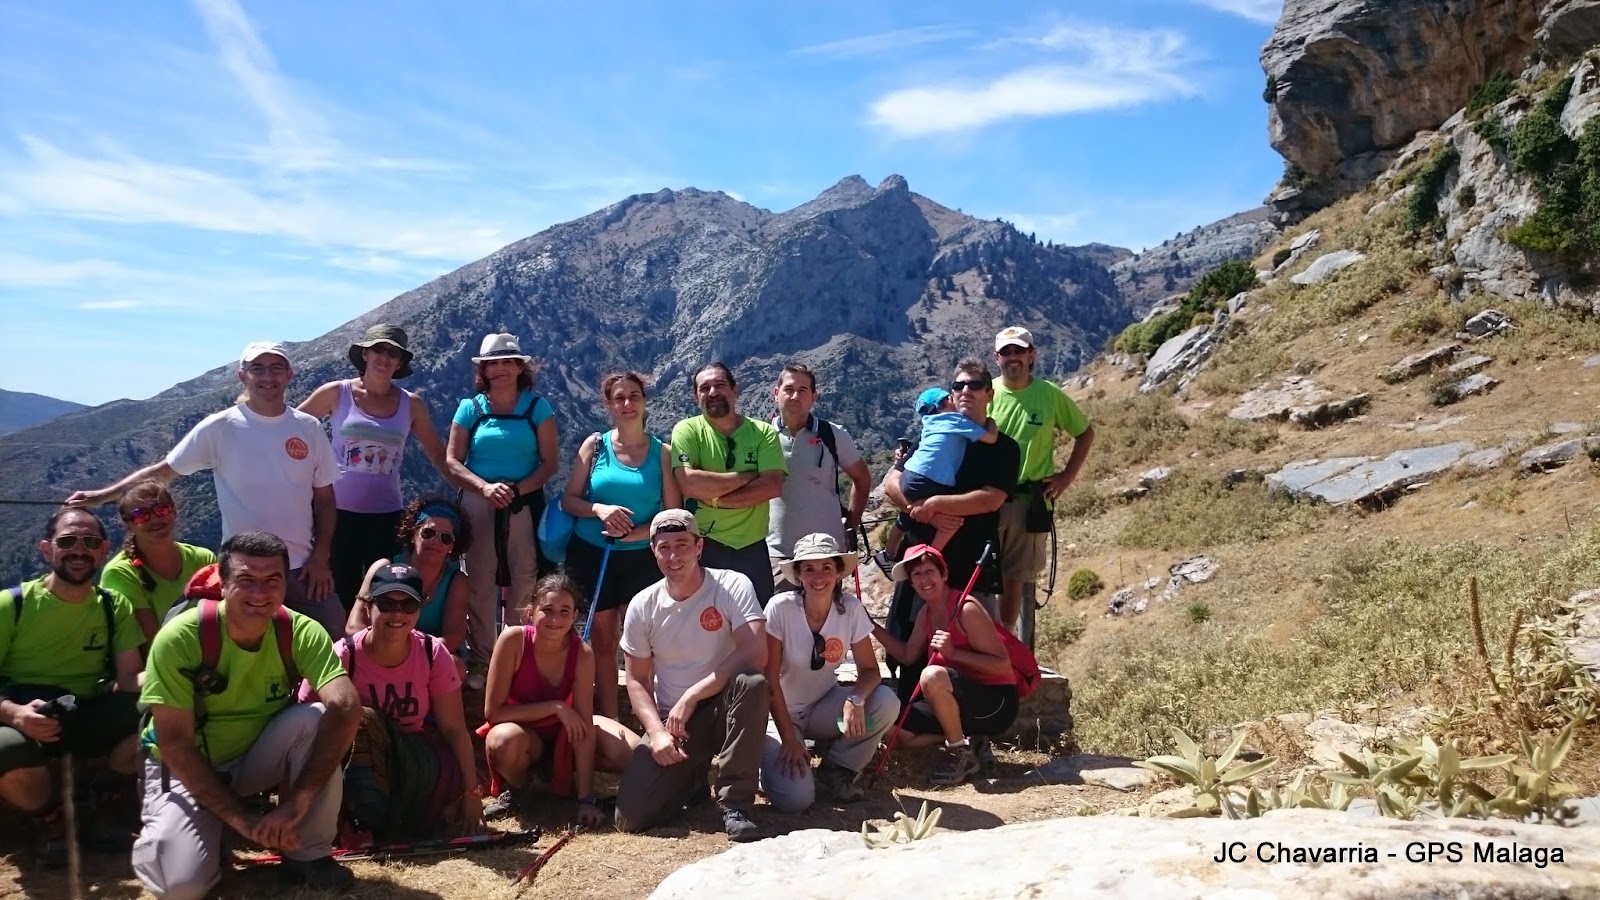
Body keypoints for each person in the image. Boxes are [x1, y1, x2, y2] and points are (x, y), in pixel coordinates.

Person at [134, 531, 362, 898]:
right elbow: (174, 743)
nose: (260, 593)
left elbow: (347, 706)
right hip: (183, 765)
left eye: (272, 580)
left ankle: (307, 854)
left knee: (318, 718)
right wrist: (243, 822)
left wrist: (295, 803)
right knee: (181, 887)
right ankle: (192, 831)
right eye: (246, 580)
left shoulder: (299, 631)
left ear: (286, 584)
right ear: (222, 584)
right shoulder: (180, 638)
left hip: (250, 758)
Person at [66, 341, 347, 638]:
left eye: (276, 367)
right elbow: (162, 472)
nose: (267, 376)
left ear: (289, 374)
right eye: (258, 368)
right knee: (242, 649)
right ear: (243, 376)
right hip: (242, 570)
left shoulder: (309, 427)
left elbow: (326, 502)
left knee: (334, 639)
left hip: (302, 568)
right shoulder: (220, 427)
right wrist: (101, 497)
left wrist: (320, 558)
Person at [0, 508, 144, 864]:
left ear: (103, 549)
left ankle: (104, 794)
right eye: (67, 541)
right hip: (22, 711)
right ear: (47, 549)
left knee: (161, 710)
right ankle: (50, 817)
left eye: (90, 542)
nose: (79, 550)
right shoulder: (12, 605)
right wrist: (16, 714)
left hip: (84, 711)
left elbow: (129, 677)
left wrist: (173, 674)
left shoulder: (114, 606)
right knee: (3, 749)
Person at [615, 510, 769, 843]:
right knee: (630, 817)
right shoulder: (643, 606)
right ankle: (693, 776)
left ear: (700, 547)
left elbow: (756, 651)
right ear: (652, 551)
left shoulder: (731, 584)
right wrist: (656, 732)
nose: (674, 556)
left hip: (726, 707)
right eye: (664, 547)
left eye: (683, 544)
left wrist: (693, 695)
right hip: (676, 724)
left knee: (752, 683)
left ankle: (736, 804)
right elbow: (637, 679)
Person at [301, 563, 484, 841]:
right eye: (386, 603)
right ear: (369, 607)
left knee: (443, 765)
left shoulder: (432, 653)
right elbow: (306, 722)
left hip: (407, 754)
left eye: (408, 604)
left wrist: (472, 794)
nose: (397, 613)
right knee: (360, 718)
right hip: (348, 761)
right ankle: (357, 823)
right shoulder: (343, 656)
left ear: (419, 609)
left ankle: (400, 823)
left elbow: (454, 728)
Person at [297, 324, 454, 612]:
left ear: (400, 362)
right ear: (365, 355)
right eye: (379, 350)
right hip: (334, 512)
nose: (385, 357)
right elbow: (291, 431)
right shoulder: (336, 393)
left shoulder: (411, 405)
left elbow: (439, 456)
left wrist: (473, 489)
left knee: (381, 593)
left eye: (392, 353)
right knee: (336, 588)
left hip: (386, 516)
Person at [560, 371, 681, 719]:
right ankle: (611, 720)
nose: (627, 404)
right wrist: (599, 509)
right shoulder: (594, 445)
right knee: (602, 640)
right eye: (619, 398)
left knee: (643, 641)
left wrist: (636, 534)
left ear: (644, 401)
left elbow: (672, 514)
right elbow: (569, 500)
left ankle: (652, 718)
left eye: (634, 396)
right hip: (592, 554)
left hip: (642, 558)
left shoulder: (663, 453)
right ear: (608, 405)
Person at [445, 333, 560, 685]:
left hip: (522, 503)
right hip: (479, 503)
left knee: (525, 578)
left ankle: (516, 655)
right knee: (480, 579)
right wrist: (484, 487)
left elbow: (550, 462)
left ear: (518, 366)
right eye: (492, 363)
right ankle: (482, 658)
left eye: (507, 362)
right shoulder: (470, 408)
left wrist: (517, 489)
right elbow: (453, 460)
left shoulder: (537, 407)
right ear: (483, 369)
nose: (500, 369)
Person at [480, 572, 635, 827]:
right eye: (547, 610)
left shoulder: (582, 654)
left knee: (633, 755)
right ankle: (519, 788)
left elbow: (583, 725)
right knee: (503, 740)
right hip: (525, 734)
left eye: (565, 611)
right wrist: (556, 707)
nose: (555, 619)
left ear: (575, 616)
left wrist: (586, 799)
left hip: (566, 733)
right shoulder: (513, 640)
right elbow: (493, 713)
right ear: (531, 612)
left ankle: (564, 779)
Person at [760, 533, 898, 811]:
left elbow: (870, 670)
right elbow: (768, 679)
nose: (818, 576)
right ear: (798, 575)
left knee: (886, 702)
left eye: (826, 567)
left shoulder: (851, 609)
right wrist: (788, 737)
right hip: (779, 715)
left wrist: (855, 699)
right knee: (796, 801)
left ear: (838, 572)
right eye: (808, 568)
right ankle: (770, 765)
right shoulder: (780, 608)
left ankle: (838, 768)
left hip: (823, 707)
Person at [881, 360, 1020, 633]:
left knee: (976, 649)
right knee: (913, 651)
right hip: (920, 565)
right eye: (959, 385)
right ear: (952, 394)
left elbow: (990, 499)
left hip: (973, 566)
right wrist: (919, 510)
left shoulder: (1005, 448)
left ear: (989, 394)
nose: (966, 390)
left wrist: (934, 505)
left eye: (976, 385)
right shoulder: (932, 433)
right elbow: (892, 483)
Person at [872, 544, 1017, 786]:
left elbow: (1003, 666)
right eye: (916, 574)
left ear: (944, 575)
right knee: (895, 732)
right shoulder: (926, 613)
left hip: (995, 705)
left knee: (932, 676)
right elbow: (908, 656)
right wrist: (870, 626)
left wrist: (953, 653)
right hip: (957, 704)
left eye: (929, 571)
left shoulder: (966, 609)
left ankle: (959, 753)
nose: (923, 579)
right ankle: (966, 740)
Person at [990, 326, 1095, 632]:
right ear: (997, 358)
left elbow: (1085, 432)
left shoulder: (1049, 395)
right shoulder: (988, 394)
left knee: (1016, 577)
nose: (1013, 357)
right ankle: (982, 647)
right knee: (981, 576)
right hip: (988, 501)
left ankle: (1007, 645)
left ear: (1031, 355)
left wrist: (1066, 477)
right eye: (1007, 352)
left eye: (1019, 351)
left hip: (1029, 502)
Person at [670, 362, 787, 604]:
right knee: (706, 625)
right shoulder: (686, 431)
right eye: (705, 388)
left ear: (735, 390)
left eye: (720, 385)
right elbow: (689, 484)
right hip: (703, 547)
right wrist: (749, 476)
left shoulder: (763, 432)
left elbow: (772, 486)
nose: (713, 392)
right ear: (696, 396)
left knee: (758, 624)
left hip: (752, 547)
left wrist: (713, 497)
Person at [766, 364, 872, 592]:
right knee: (778, 624)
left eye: (803, 390)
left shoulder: (832, 435)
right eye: (789, 389)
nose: (795, 396)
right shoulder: (761, 437)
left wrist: (851, 527)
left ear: (814, 396)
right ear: (776, 393)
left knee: (827, 624)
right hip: (778, 553)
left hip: (825, 553)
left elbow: (862, 479)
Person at [345, 496, 472, 679]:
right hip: (377, 651)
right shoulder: (382, 568)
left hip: (423, 658)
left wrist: (410, 656)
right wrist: (387, 651)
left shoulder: (456, 582)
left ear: (452, 546)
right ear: (413, 534)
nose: (436, 542)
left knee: (455, 667)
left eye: (446, 538)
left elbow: (453, 636)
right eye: (428, 533)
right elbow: (353, 625)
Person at [884, 386, 999, 556]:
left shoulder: (929, 425)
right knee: (953, 518)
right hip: (931, 480)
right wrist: (991, 422)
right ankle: (932, 555)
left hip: (910, 476)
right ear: (945, 402)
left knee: (910, 512)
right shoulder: (954, 420)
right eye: (951, 398)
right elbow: (991, 438)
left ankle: (888, 551)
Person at [99, 481, 217, 643]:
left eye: (162, 509)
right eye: (141, 515)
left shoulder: (204, 559)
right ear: (128, 525)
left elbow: (219, 620)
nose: (154, 519)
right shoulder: (120, 573)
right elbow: (152, 641)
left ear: (174, 511)